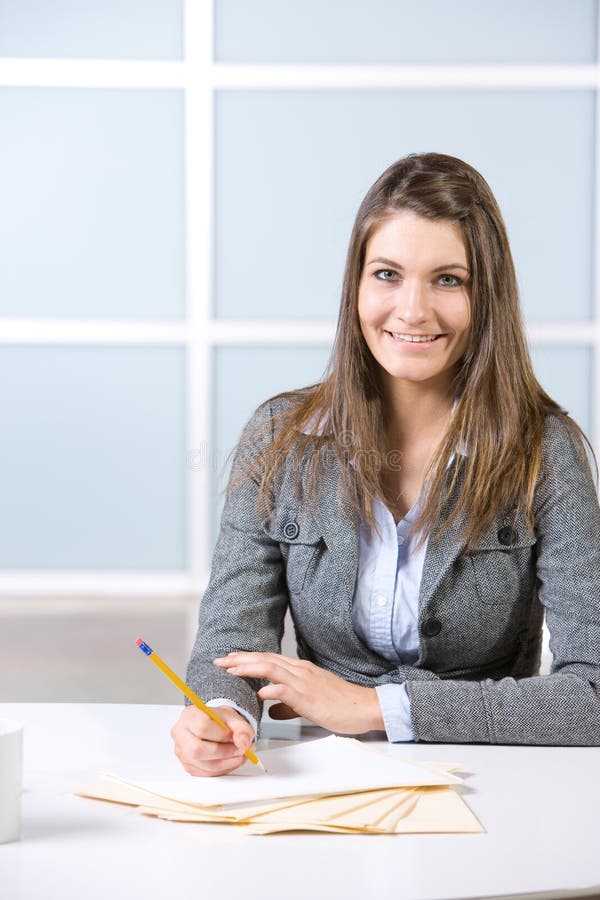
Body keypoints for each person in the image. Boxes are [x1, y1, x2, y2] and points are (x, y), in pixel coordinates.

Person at [171, 151, 600, 777]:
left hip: (490, 778)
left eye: (448, 279)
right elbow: (233, 637)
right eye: (388, 274)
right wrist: (221, 714)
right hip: (318, 779)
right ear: (356, 285)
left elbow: (591, 697)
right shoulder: (278, 437)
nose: (413, 310)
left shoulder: (545, 450)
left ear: (488, 296)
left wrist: (376, 708)